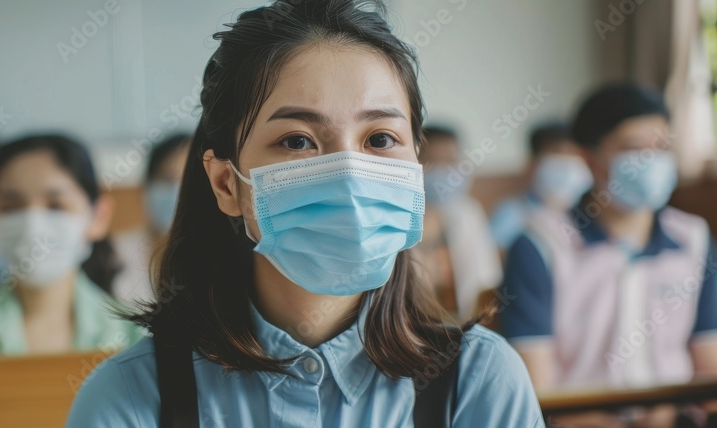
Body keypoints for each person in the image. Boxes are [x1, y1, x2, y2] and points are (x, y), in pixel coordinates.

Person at [67, 1, 543, 427]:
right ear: (226, 184)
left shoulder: (478, 383)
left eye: (380, 139)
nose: (349, 174)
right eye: (297, 141)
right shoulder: (133, 397)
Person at [501, 83, 717, 426]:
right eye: (634, 149)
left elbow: (709, 370)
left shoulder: (693, 239)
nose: (652, 161)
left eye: (661, 147)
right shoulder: (540, 244)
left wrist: (667, 414)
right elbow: (534, 389)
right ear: (590, 158)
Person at [0, 135, 145, 427]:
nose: (33, 224)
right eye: (12, 207)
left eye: (56, 205)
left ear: (98, 216)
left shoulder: (138, 342)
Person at [415, 125, 502, 320]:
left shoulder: (469, 211)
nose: (445, 171)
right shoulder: (402, 218)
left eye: (451, 161)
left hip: (467, 323)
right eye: (434, 161)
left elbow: (487, 277)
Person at [112, 134, 191, 304]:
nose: (176, 190)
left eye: (187, 180)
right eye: (167, 179)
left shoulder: (221, 259)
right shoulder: (115, 252)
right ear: (147, 186)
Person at [489, 123, 591, 252]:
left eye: (574, 154)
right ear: (532, 164)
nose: (568, 166)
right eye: (558, 153)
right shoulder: (513, 213)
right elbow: (495, 256)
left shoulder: (588, 213)